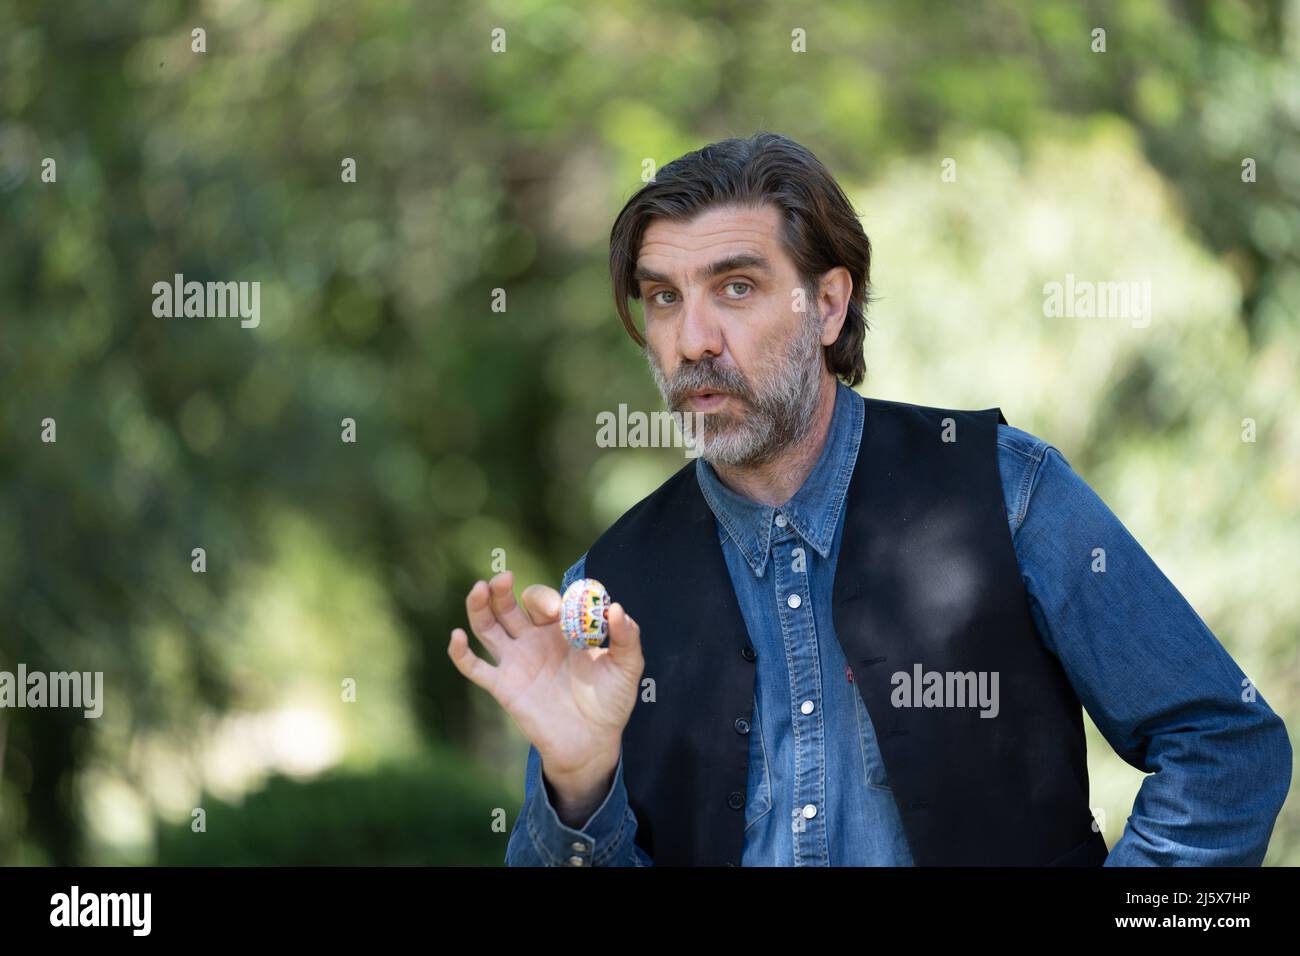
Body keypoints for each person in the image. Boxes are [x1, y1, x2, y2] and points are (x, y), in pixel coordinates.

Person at [447, 131, 1292, 866]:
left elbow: (1226, 749)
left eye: (735, 286)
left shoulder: (1005, 490)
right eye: (664, 296)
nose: (692, 339)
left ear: (827, 303)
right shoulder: (608, 584)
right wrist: (579, 781)